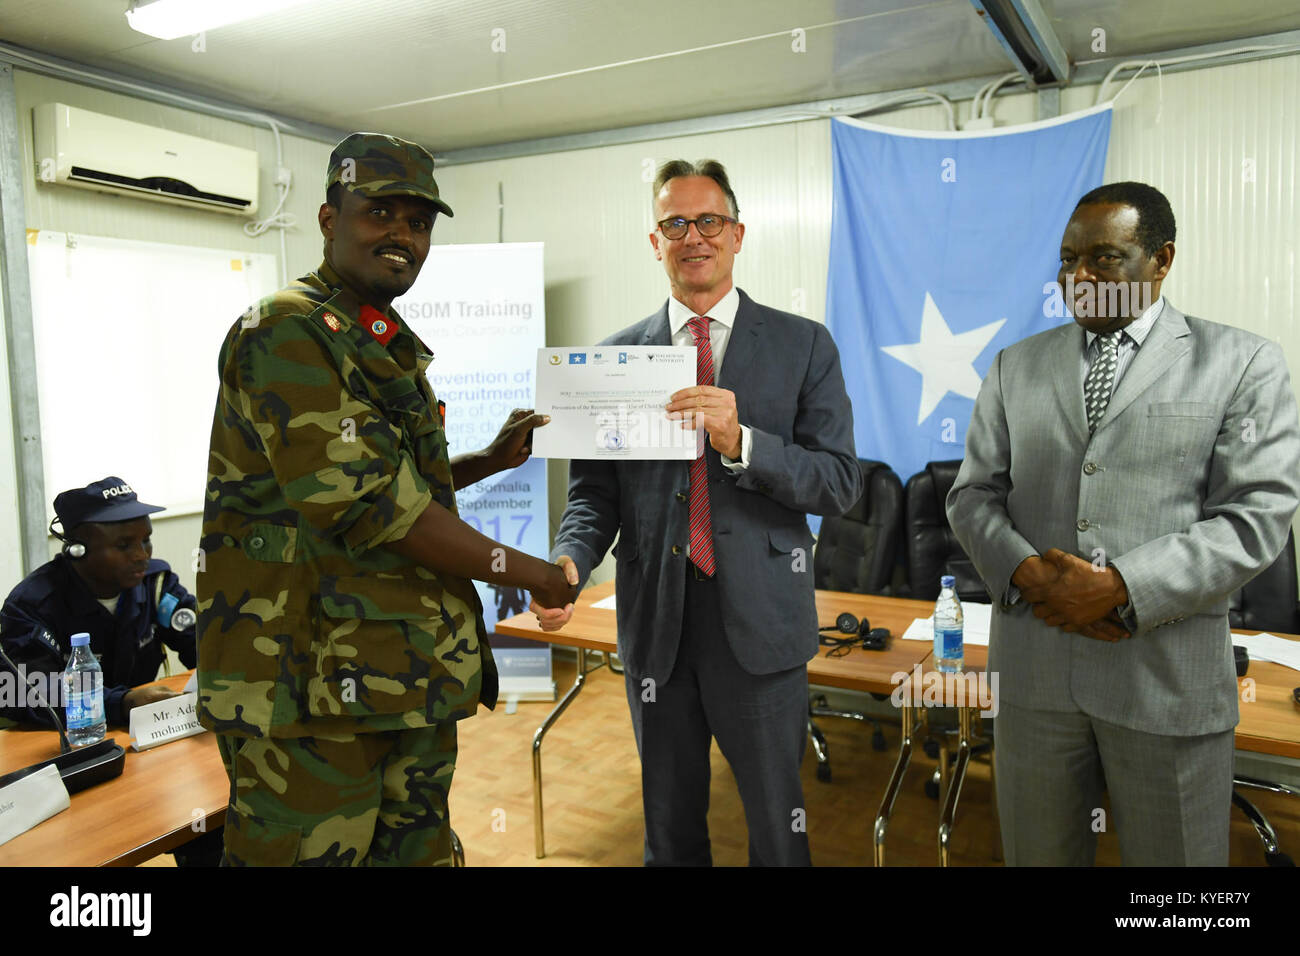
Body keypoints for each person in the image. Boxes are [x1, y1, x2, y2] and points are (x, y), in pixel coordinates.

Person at [197, 132, 577, 866]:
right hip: (305, 689)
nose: (403, 236)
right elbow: (369, 506)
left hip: (396, 674)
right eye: (380, 213)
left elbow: (388, 481)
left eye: (420, 221)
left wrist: (485, 461)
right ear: (329, 219)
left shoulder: (376, 335)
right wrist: (535, 575)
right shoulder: (286, 328)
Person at [946, 182, 1300, 865]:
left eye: (1104, 258)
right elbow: (972, 496)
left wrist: (1121, 587)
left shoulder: (1241, 362)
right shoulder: (1015, 365)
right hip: (1037, 677)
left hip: (1164, 680)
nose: (1078, 277)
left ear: (1161, 259)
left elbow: (1258, 516)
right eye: (1068, 259)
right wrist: (1025, 571)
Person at [533, 160, 862, 865]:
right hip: (656, 627)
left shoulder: (805, 345)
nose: (693, 236)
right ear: (655, 243)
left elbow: (838, 484)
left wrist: (745, 442)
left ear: (737, 234)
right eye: (674, 223)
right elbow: (594, 493)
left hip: (762, 627)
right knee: (670, 831)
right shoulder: (617, 358)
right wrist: (570, 561)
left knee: (779, 831)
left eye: (708, 220)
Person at [1, 476, 222, 866]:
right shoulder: (32, 605)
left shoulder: (155, 583)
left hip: (149, 751)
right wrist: (122, 701)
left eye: (145, 540)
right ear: (78, 549)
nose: (141, 554)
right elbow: (27, 696)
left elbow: (204, 648)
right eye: (124, 545)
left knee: (209, 823)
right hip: (75, 761)